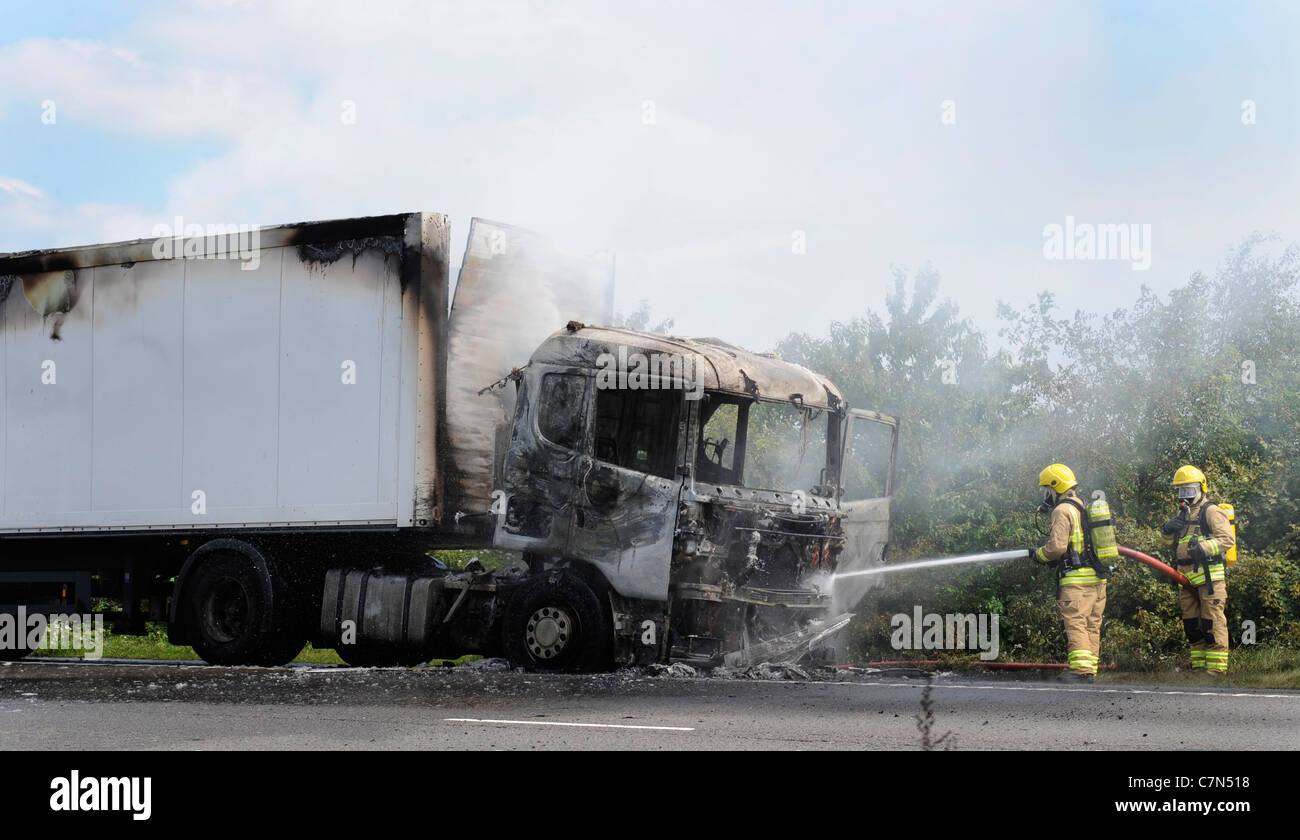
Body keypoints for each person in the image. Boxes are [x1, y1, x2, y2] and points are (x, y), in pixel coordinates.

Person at [1030, 464, 1107, 682]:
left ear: (1056, 487)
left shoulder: (1062, 510)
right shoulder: (1082, 506)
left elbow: (1056, 548)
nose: (1046, 496)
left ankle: (1081, 671)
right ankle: (1089, 670)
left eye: (1047, 491)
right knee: (1092, 625)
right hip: (1098, 579)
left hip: (1077, 582)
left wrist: (1038, 555)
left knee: (1075, 623)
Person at [1161, 465, 1234, 675]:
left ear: (1201, 488)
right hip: (1186, 578)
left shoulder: (1210, 511)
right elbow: (1169, 544)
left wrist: (1203, 547)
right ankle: (1199, 668)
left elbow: (1227, 539)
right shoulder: (1182, 514)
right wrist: (1167, 530)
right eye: (1181, 491)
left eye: (1189, 490)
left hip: (1210, 579)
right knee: (1192, 626)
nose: (1184, 495)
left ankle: (1216, 671)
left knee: (1212, 623)